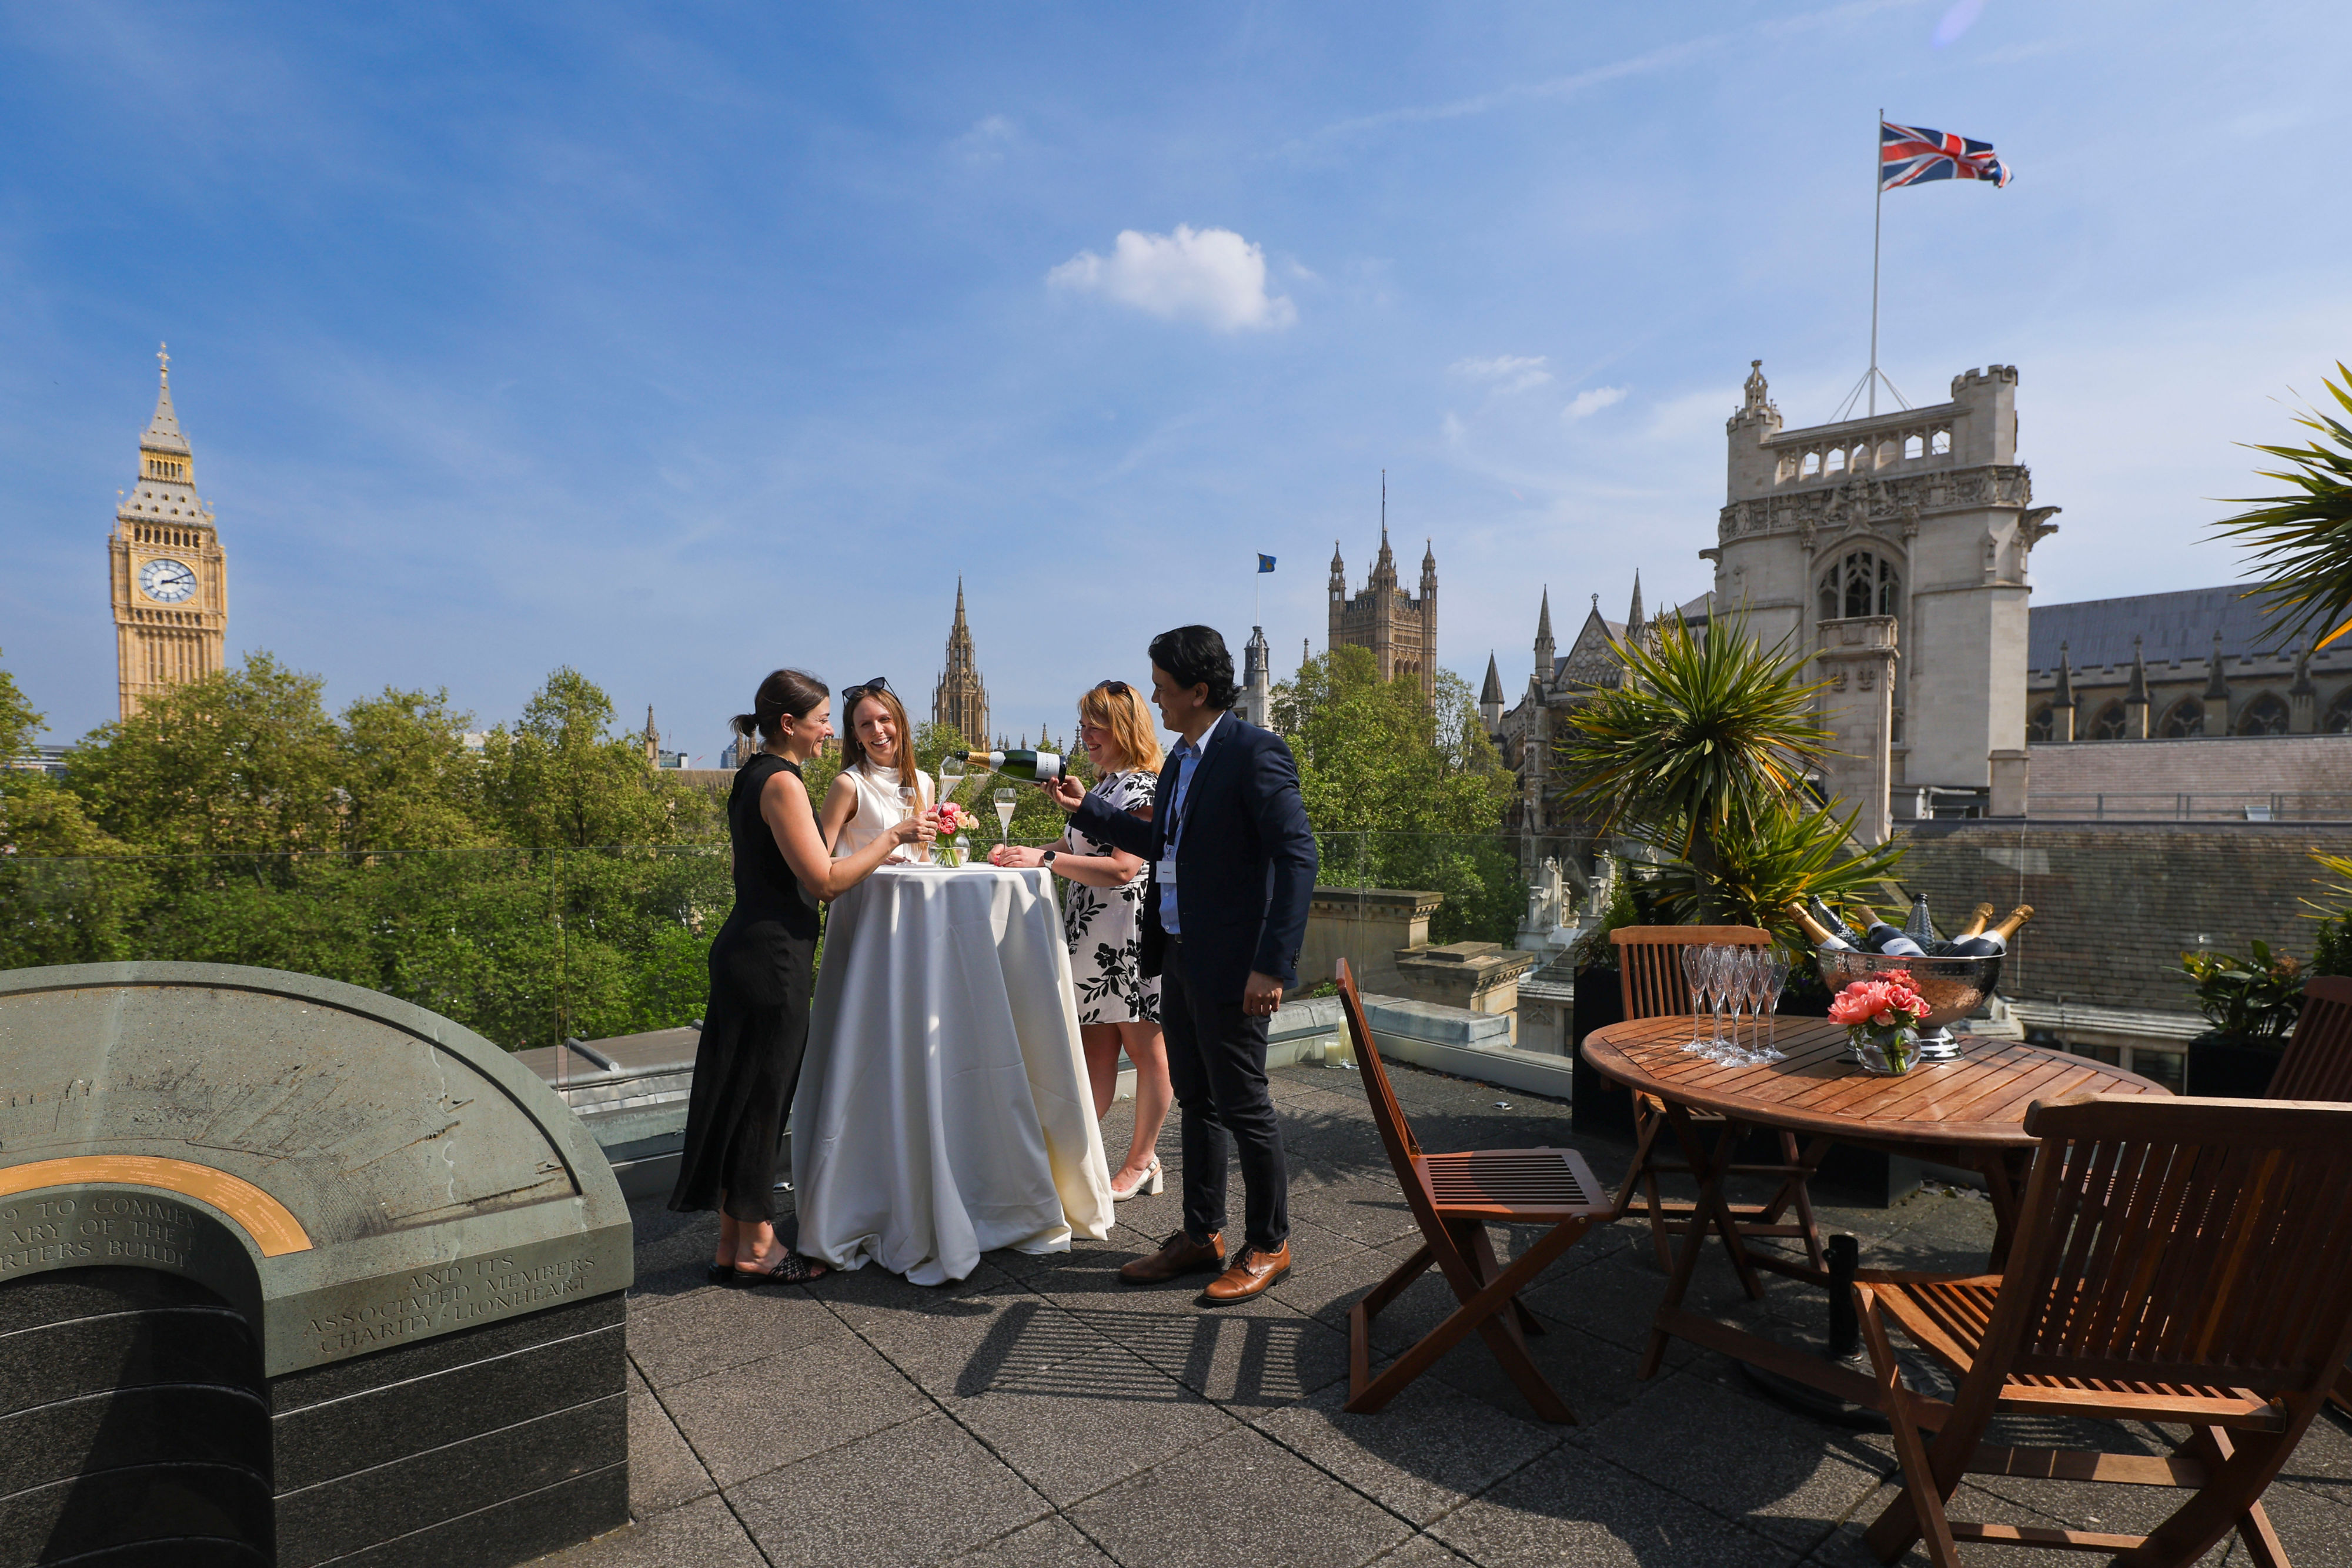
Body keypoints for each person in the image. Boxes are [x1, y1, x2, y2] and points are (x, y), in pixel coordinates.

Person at [1045, 626, 1317, 1302]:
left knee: (1244, 1104)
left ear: (1199, 690)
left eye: (1164, 688)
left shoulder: (1256, 752)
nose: (1157, 699)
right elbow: (1158, 840)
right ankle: (1202, 1236)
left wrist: (1272, 965)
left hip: (1234, 964)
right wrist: (1091, 809)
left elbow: (1297, 857)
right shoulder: (1180, 761)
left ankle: (1270, 1242)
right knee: (1199, 1102)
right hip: (1178, 956)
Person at [669, 668, 935, 1284]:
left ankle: (733, 1243)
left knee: (740, 1095)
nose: (827, 734)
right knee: (764, 1099)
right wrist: (893, 835)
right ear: (789, 725)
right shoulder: (784, 783)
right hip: (772, 959)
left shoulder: (750, 777)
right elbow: (825, 882)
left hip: (746, 949)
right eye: (821, 722)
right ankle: (761, 1247)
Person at [988, 680, 1172, 1201]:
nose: (1085, 734)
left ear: (1125, 728)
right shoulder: (1104, 786)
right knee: (1092, 1059)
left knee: (1147, 1053)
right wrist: (1025, 850)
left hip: (1126, 940)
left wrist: (1044, 860)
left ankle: (1142, 1162)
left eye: (1096, 724)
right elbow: (1076, 847)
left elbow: (1120, 868)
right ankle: (1071, 1162)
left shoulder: (1145, 787)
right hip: (1092, 933)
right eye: (1083, 724)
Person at [818, 677, 931, 862]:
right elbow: (815, 864)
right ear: (856, 734)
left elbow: (923, 857)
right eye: (866, 724)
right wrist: (872, 859)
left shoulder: (925, 783)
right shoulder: (848, 784)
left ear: (901, 723)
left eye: (884, 719)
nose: (877, 730)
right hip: (868, 891)